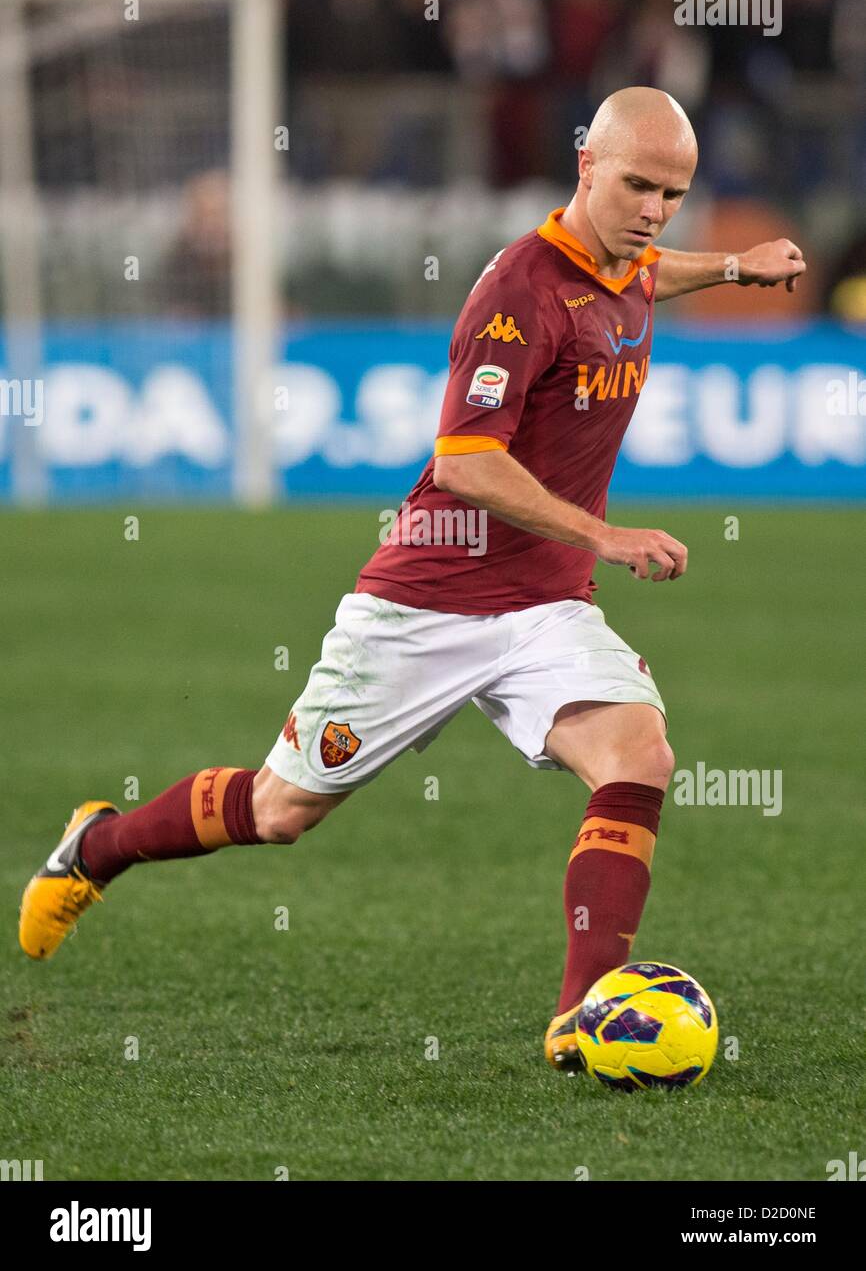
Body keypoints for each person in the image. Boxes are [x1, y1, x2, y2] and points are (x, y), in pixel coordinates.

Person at [19, 87, 806, 1072]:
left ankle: (576, 1014)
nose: (652, 210)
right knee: (278, 810)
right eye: (637, 184)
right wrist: (598, 534)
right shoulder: (518, 291)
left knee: (637, 756)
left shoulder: (627, 257)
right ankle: (100, 845)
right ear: (584, 168)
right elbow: (467, 461)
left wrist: (734, 265)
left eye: (672, 193)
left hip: (544, 607)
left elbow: (648, 271)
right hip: (421, 604)